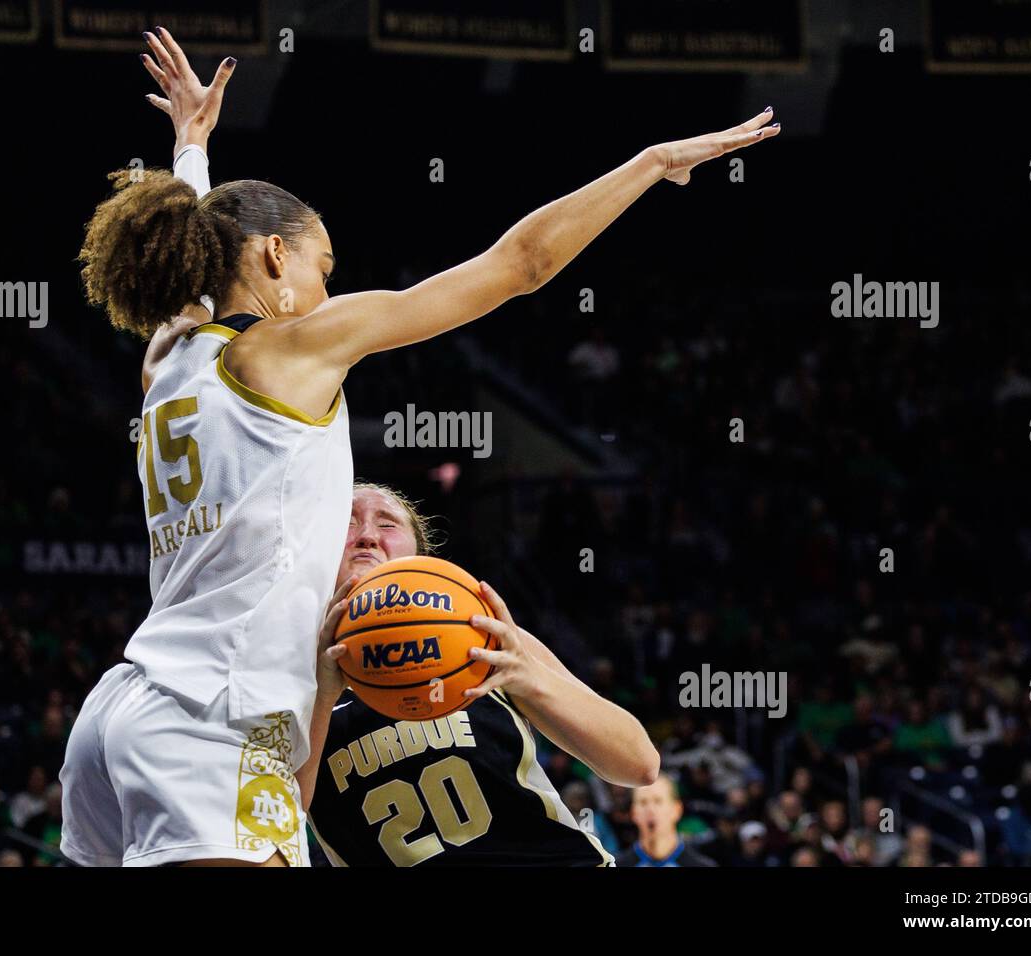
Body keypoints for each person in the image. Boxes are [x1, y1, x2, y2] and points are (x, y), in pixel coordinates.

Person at [62, 27, 779, 869]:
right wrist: (650, 164)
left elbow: (193, 282)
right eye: (323, 267)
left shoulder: (169, 360)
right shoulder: (291, 349)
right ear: (275, 255)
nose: (327, 291)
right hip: (220, 718)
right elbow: (521, 265)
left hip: (123, 709)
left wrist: (192, 148)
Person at [303, 483, 659, 865]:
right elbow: (278, 816)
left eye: (387, 524)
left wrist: (527, 677)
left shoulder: (483, 634)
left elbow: (638, 764)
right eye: (347, 524)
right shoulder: (284, 670)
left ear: (422, 558)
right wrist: (323, 696)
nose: (368, 537)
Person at [616, 777, 717, 867]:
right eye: (643, 802)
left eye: (658, 801)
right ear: (633, 813)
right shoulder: (616, 865)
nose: (650, 809)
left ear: (677, 810)